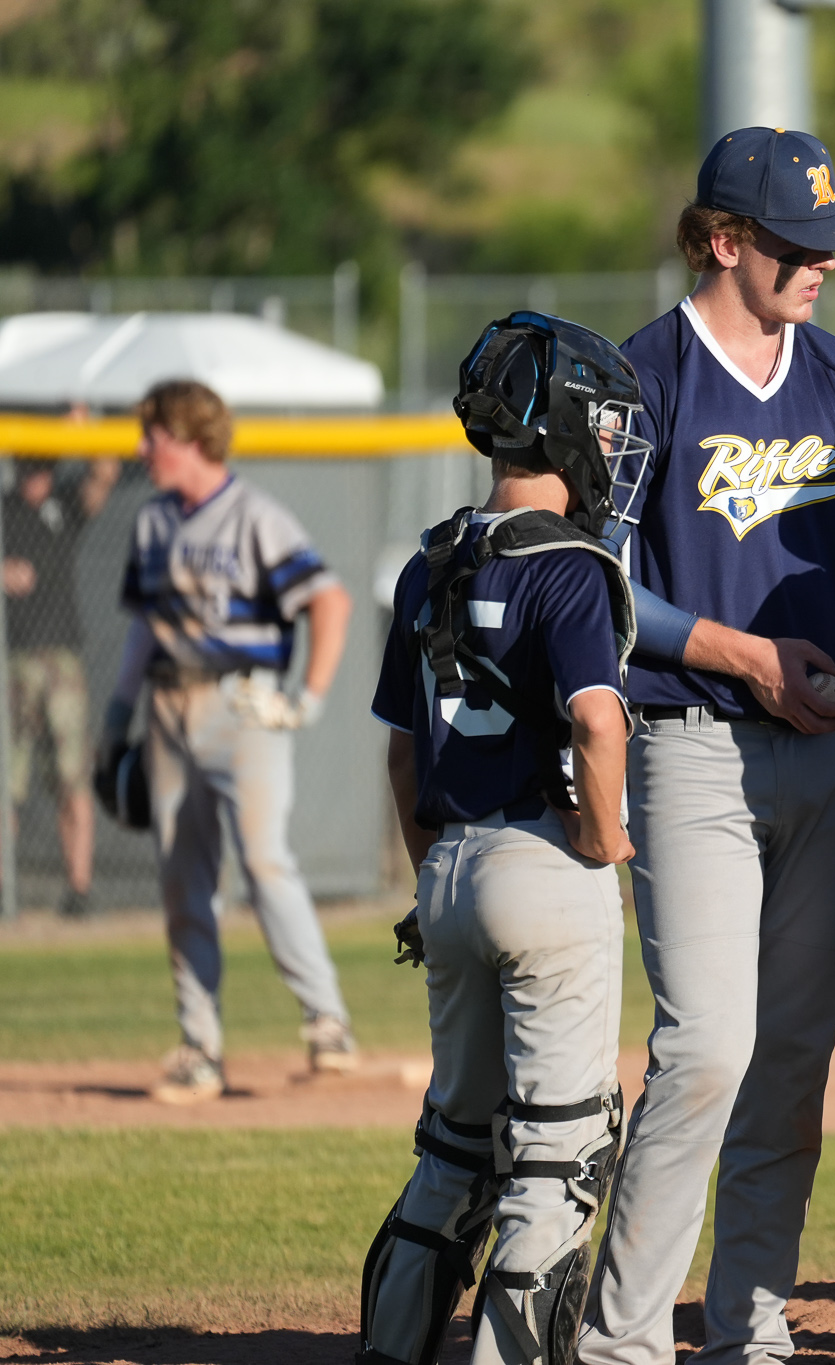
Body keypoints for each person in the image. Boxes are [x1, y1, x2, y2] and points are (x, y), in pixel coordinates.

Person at [581, 127, 835, 1365]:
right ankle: (620, 1337)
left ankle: (748, 1327)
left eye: (831, 244)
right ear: (723, 241)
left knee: (788, 1062)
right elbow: (601, 589)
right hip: (691, 746)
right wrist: (746, 657)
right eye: (796, 244)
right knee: (704, 1050)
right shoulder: (643, 378)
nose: (821, 265)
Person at [354, 313, 643, 1365]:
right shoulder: (570, 565)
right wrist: (606, 842)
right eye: (601, 425)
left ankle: (391, 1350)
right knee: (555, 1159)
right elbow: (599, 722)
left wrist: (430, 865)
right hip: (539, 864)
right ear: (561, 430)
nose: (611, 447)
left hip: (450, 862)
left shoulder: (430, 560)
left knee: (452, 1149)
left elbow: (399, 756)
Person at [104, 379, 356, 1105]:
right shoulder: (152, 522)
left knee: (264, 860)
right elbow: (143, 629)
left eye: (154, 434)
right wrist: (116, 718)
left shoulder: (254, 515)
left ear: (190, 438)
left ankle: (326, 1019)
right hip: (168, 705)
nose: (143, 448)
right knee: (181, 875)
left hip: (240, 705)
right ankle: (199, 1046)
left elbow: (328, 600)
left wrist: (304, 700)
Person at [5, 453, 119, 916]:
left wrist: (85, 425)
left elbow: (104, 475)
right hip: (10, 656)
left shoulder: (65, 504)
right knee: (6, 777)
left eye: (46, 465)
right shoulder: (4, 509)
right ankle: (4, 892)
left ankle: (79, 887)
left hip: (62, 658)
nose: (39, 474)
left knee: (73, 775)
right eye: (32, 464)